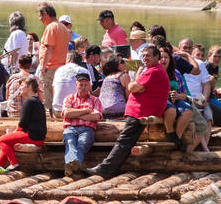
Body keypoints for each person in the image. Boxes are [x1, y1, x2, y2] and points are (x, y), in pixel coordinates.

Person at [86, 44, 169, 180]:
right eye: (144, 56)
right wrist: (136, 85)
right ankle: (109, 168)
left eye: (148, 56)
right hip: (138, 109)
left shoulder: (152, 71)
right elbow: (133, 88)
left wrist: (137, 76)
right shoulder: (151, 70)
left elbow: (132, 87)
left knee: (124, 140)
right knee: (126, 140)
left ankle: (105, 169)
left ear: (156, 57)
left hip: (141, 111)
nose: (145, 58)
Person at [0, 75, 46, 172]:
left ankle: (14, 164)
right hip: (38, 137)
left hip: (32, 136)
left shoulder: (29, 101)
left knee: (2, 140)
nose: (20, 88)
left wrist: (14, 133)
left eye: (22, 85)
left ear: (29, 87)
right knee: (7, 141)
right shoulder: (37, 101)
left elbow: (22, 123)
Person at [61, 71, 103, 177]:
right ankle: (75, 165)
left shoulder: (95, 100)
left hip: (87, 129)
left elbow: (96, 116)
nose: (83, 87)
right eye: (81, 85)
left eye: (86, 84)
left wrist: (74, 114)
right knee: (70, 142)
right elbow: (66, 113)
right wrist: (86, 110)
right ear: (76, 85)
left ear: (89, 85)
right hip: (70, 128)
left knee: (82, 144)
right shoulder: (69, 98)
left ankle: (70, 165)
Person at [37, 3, 69, 114]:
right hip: (61, 67)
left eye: (40, 16)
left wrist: (43, 67)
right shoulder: (64, 28)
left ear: (45, 14)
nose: (40, 19)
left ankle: (50, 121)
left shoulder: (51, 27)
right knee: (56, 95)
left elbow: (49, 49)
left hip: (50, 68)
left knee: (48, 99)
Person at [51, 49, 89, 115]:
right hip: (77, 111)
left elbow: (54, 91)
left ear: (68, 59)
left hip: (58, 110)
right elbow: (89, 91)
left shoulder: (59, 70)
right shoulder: (84, 71)